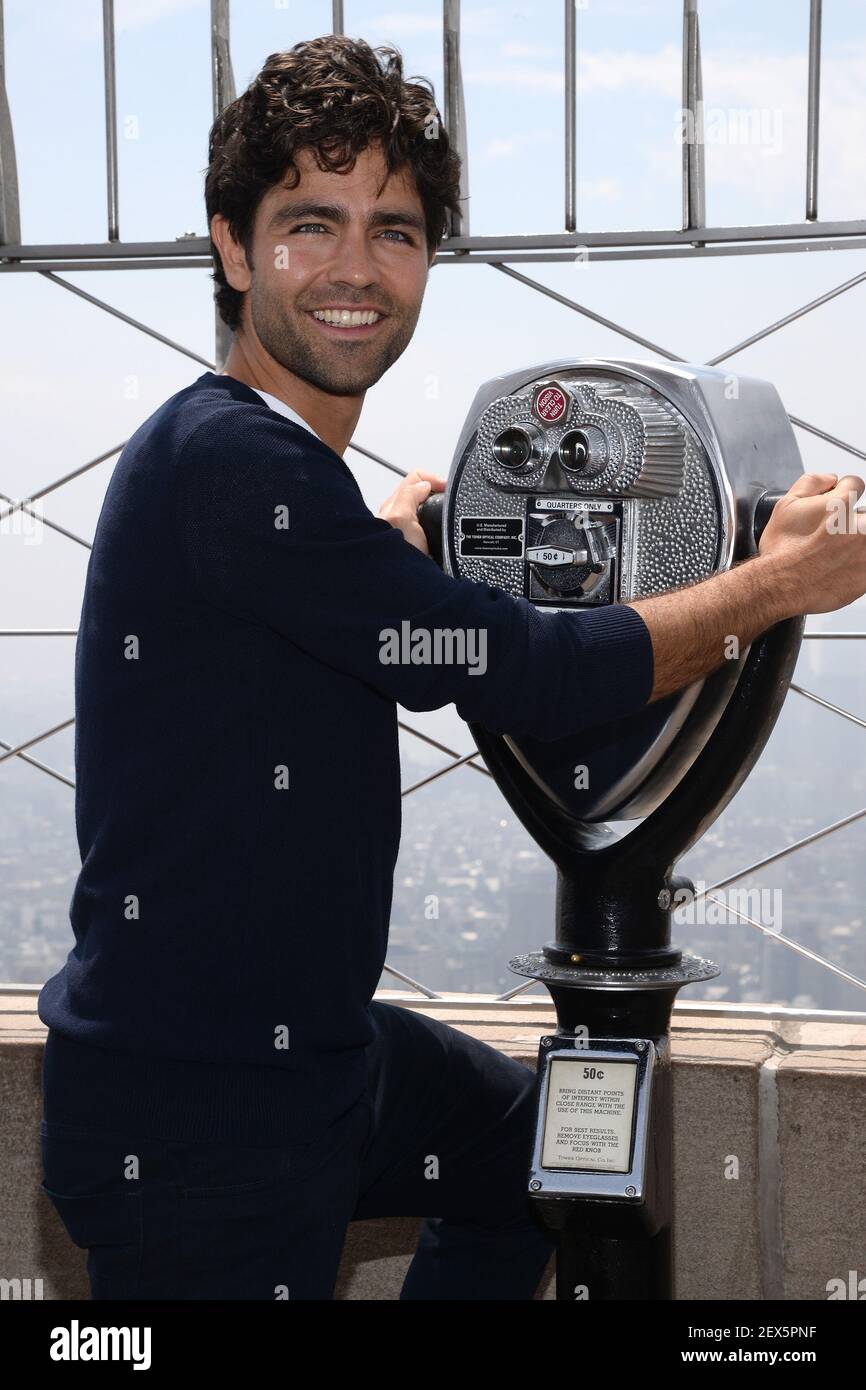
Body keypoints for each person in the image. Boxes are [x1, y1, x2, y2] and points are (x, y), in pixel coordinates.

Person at [37, 34, 866, 1302]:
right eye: (310, 225)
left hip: (313, 1060)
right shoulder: (233, 467)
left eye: (397, 231)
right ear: (229, 244)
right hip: (199, 1125)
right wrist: (770, 584)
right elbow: (521, 670)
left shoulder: (270, 480)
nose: (356, 270)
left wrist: (376, 570)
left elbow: (367, 625)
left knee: (548, 1150)